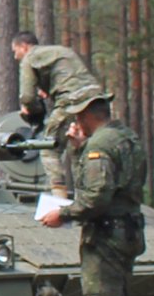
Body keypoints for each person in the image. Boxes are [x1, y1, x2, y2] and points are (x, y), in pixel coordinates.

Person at [39, 94, 146, 296]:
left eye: (77, 117)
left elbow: (96, 195)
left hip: (106, 236)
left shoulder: (101, 146)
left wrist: (65, 214)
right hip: (126, 230)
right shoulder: (126, 137)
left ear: (87, 115)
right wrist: (77, 147)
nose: (75, 122)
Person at [11, 31, 105, 198]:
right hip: (96, 97)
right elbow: (71, 76)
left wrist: (30, 111)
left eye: (15, 51)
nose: (15, 56)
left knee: (49, 148)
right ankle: (91, 193)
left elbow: (27, 96)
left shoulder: (29, 58)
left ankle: (58, 198)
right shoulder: (61, 51)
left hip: (72, 100)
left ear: (24, 47)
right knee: (83, 145)